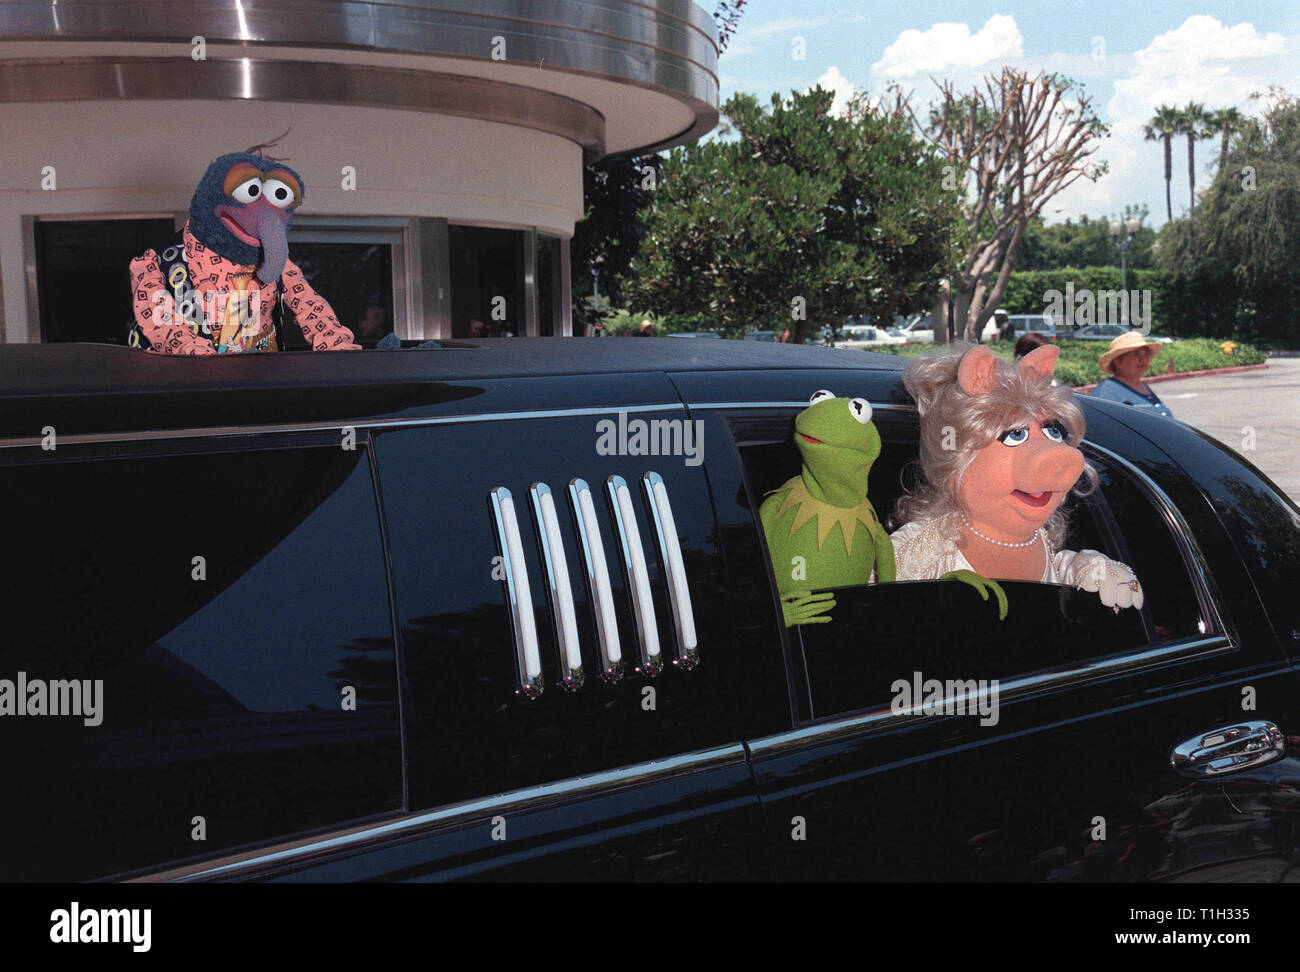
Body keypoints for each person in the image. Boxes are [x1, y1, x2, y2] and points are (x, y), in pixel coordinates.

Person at [1090, 332, 1173, 418]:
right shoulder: (1107, 391)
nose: (1143, 359)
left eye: (1146, 354)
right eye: (1136, 355)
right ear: (1118, 361)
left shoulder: (1143, 387)